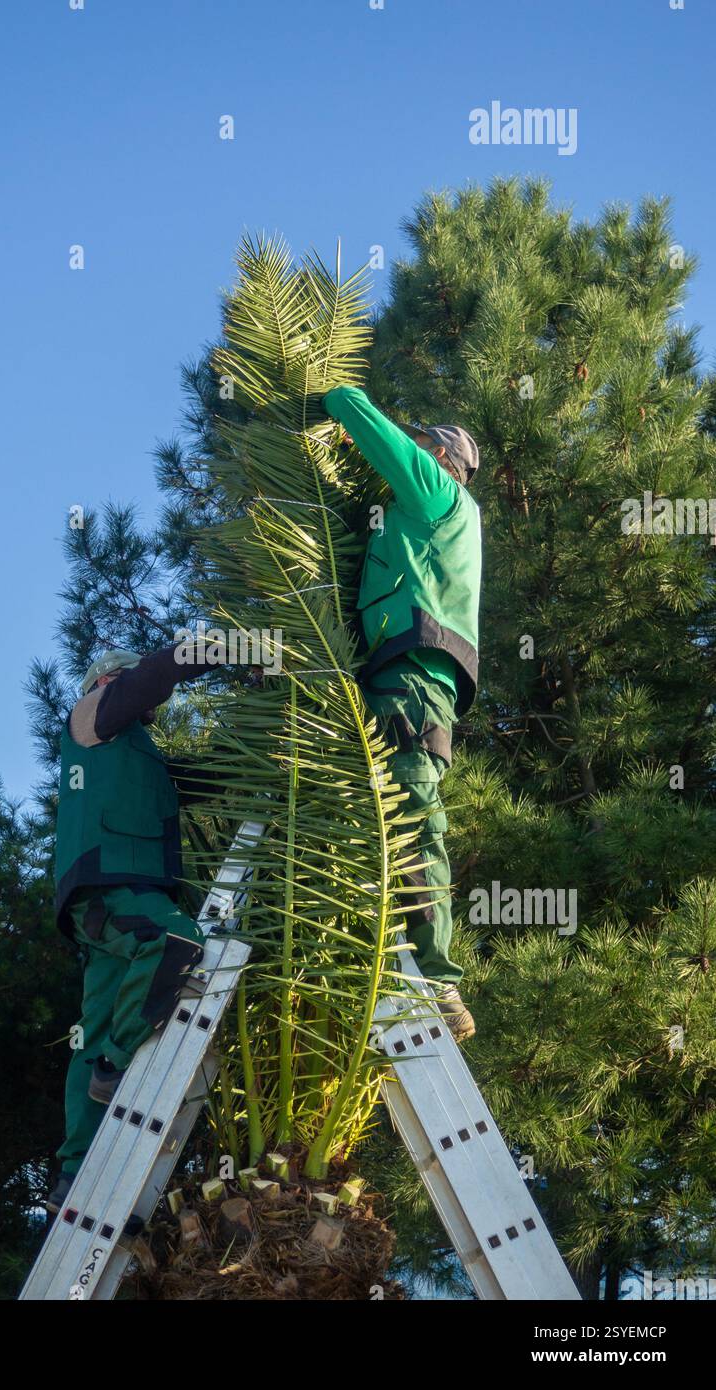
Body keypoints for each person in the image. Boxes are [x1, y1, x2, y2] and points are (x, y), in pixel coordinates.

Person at [45, 641, 231, 1214]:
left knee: (95, 1024)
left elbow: (205, 780)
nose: (146, 701)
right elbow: (154, 676)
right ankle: (115, 1067)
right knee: (175, 942)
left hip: (119, 899)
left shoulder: (138, 751)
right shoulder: (89, 718)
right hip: (109, 888)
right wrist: (216, 650)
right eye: (126, 682)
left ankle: (73, 1176)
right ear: (106, 682)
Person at [321, 385, 482, 1041]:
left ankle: (437, 975)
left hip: (414, 675)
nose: (409, 453)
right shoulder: (430, 520)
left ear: (439, 455)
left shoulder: (440, 495)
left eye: (421, 446)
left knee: (415, 811)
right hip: (407, 672)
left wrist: (331, 396)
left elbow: (372, 428)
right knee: (395, 810)